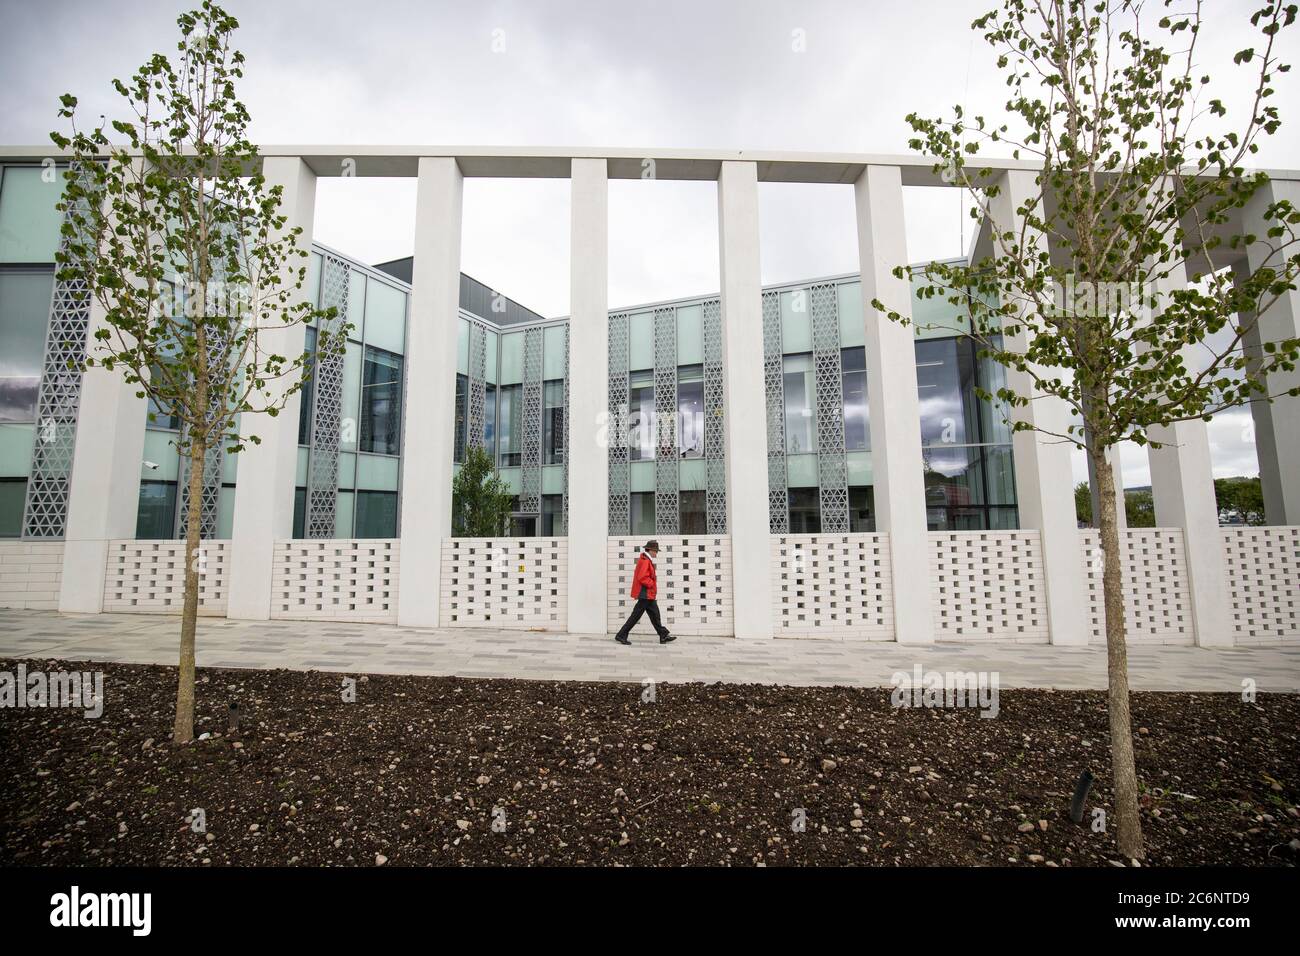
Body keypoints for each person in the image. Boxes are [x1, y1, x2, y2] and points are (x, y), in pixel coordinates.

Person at [614, 540, 675, 645]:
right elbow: (642, 577)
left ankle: (663, 635)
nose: (656, 553)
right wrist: (651, 583)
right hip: (645, 593)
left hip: (647, 594)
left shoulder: (645, 560)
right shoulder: (645, 561)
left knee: (655, 615)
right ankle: (621, 635)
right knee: (636, 616)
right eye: (656, 551)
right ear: (650, 550)